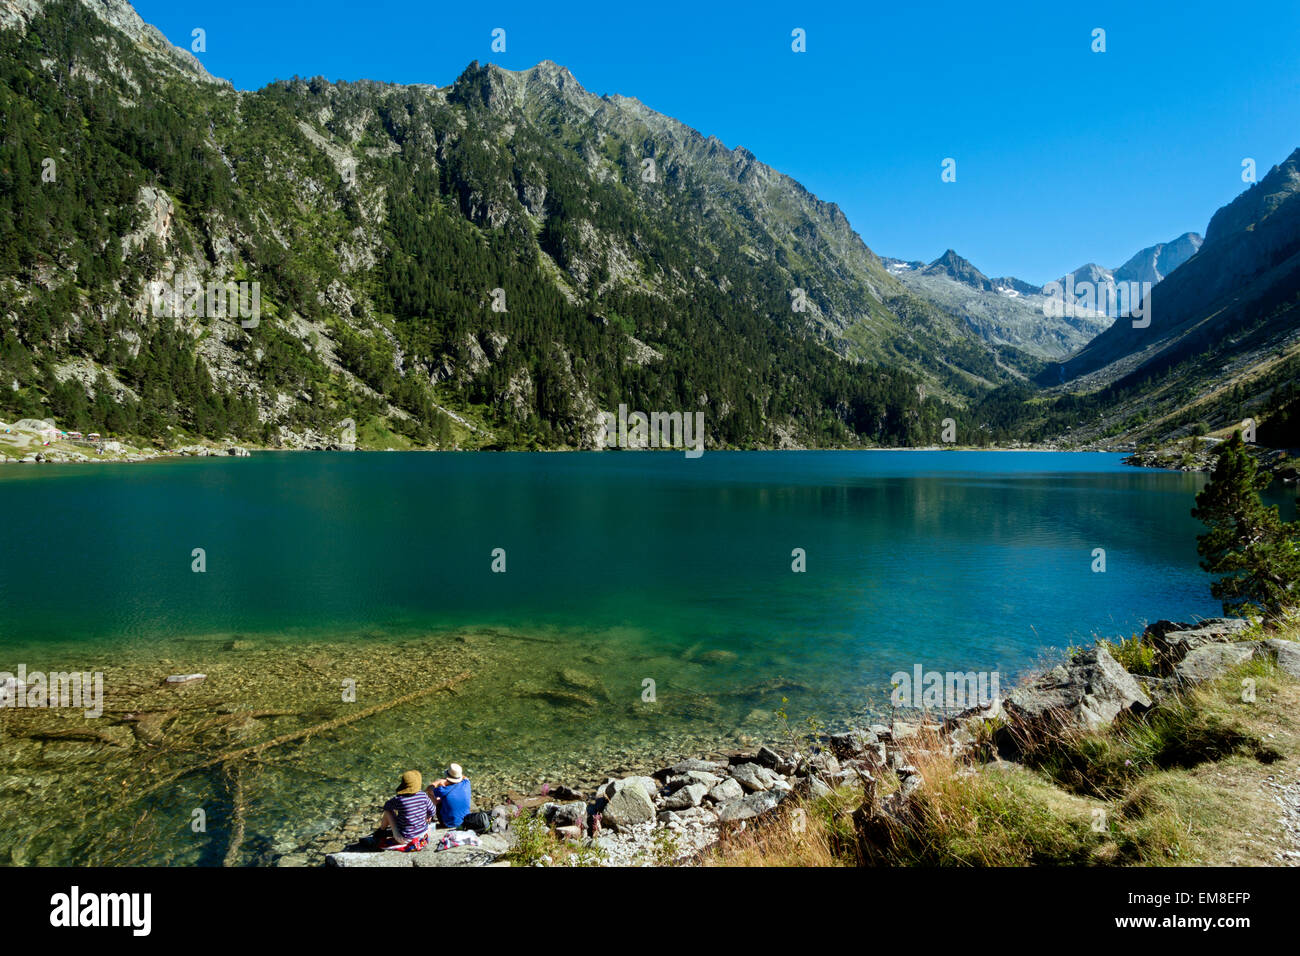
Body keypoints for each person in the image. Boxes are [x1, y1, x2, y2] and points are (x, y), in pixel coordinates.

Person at [378, 770, 435, 851]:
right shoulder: (423, 795)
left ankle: (381, 831)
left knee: (388, 812)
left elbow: (387, 806)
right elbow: (432, 810)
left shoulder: (399, 799)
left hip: (405, 838)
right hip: (422, 834)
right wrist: (428, 816)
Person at [426, 763, 472, 829]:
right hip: (465, 821)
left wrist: (439, 781)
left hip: (448, 824)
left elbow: (429, 789)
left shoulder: (443, 790)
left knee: (431, 795)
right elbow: (465, 777)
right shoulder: (466, 783)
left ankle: (430, 814)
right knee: (446, 798)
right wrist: (455, 776)